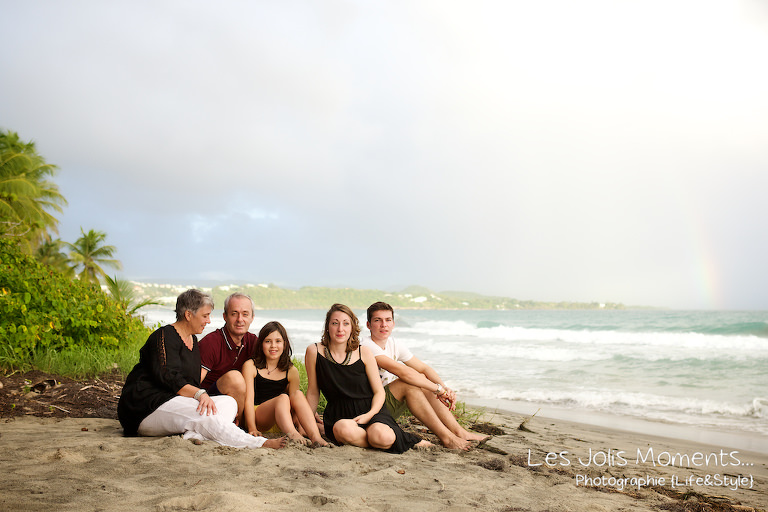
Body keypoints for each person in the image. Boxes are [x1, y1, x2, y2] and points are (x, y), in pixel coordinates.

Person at [117, 289, 285, 449]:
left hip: (177, 403)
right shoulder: (163, 336)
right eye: (205, 316)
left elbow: (192, 381)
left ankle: (195, 435)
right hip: (147, 407)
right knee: (206, 415)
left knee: (229, 403)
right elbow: (168, 376)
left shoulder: (193, 341)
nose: (209, 321)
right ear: (188, 315)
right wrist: (199, 394)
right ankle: (259, 443)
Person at [361, 301, 488, 450]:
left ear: (393, 324)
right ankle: (447, 438)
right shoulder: (366, 346)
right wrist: (438, 390)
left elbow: (424, 368)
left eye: (388, 320)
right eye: (378, 320)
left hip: (384, 407)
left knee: (422, 378)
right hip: (369, 408)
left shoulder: (394, 344)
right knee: (408, 382)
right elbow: (404, 373)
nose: (384, 325)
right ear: (369, 325)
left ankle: (458, 432)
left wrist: (445, 389)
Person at [305, 303, 429, 453]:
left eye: (346, 323)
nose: (340, 329)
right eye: (335, 323)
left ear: (352, 327)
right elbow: (313, 392)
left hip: (371, 410)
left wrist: (369, 415)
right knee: (343, 429)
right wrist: (306, 424)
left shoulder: (364, 352)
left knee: (382, 436)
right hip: (339, 416)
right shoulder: (314, 351)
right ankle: (390, 440)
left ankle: (390, 439)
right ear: (327, 326)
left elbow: (379, 392)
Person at [242, 321, 328, 446]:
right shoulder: (251, 366)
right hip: (259, 418)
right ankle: (293, 434)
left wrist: (302, 423)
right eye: (268, 341)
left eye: (278, 341)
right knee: (283, 397)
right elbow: (248, 401)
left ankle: (315, 437)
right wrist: (252, 428)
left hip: (282, 420)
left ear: (284, 344)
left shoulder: (291, 371)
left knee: (297, 394)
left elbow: (296, 404)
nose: (273, 346)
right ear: (261, 344)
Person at [198, 292, 257, 422]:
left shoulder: (253, 342)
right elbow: (193, 382)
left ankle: (239, 423)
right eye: (234, 314)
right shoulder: (210, 342)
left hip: (238, 402)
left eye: (245, 314)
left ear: (252, 317)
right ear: (225, 316)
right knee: (235, 378)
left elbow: (275, 371)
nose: (240, 319)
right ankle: (237, 425)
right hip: (207, 403)